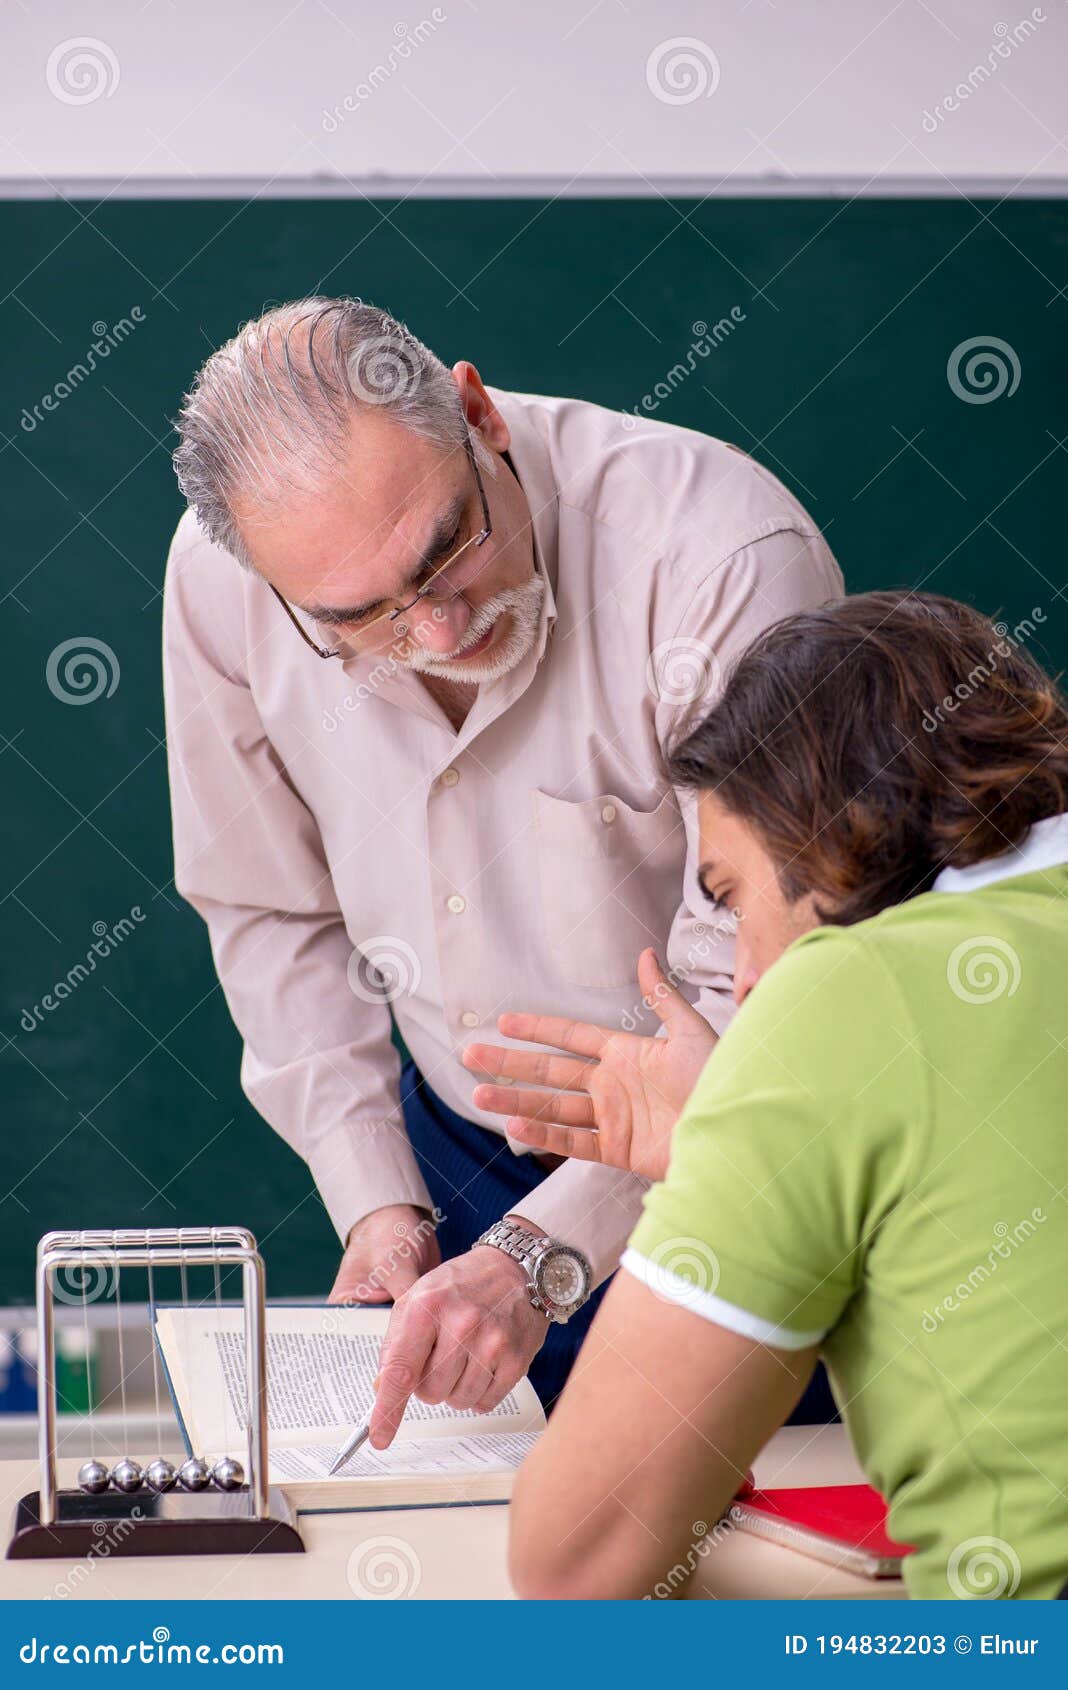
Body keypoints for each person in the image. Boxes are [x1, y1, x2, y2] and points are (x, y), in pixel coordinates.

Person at [163, 296, 841, 1418]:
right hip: (452, 1154)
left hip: (737, 1159)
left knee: (760, 1560)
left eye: (451, 552)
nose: (439, 630)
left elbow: (766, 980)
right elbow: (269, 911)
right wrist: (378, 1201)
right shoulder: (225, 578)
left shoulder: (721, 557)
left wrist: (549, 1252)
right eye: (361, 618)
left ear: (478, 415)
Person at [471, 591, 1068, 1600]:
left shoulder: (845, 995)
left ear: (825, 835)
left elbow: (573, 1557)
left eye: (733, 894)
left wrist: (735, 1141)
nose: (744, 979)